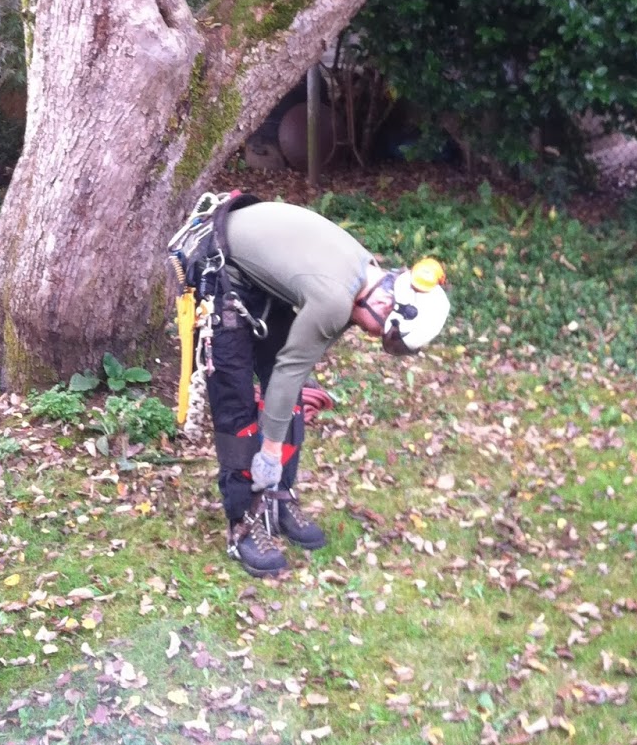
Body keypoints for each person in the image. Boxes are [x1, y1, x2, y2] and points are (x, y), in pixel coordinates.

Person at [178, 197, 450, 578]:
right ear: (387, 299)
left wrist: (275, 449)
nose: (373, 335)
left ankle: (277, 496)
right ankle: (242, 525)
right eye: (381, 330)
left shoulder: (366, 273)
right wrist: (268, 452)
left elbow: (295, 366)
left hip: (260, 279)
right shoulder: (336, 299)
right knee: (236, 405)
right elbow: (291, 369)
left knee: (288, 393)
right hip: (221, 266)